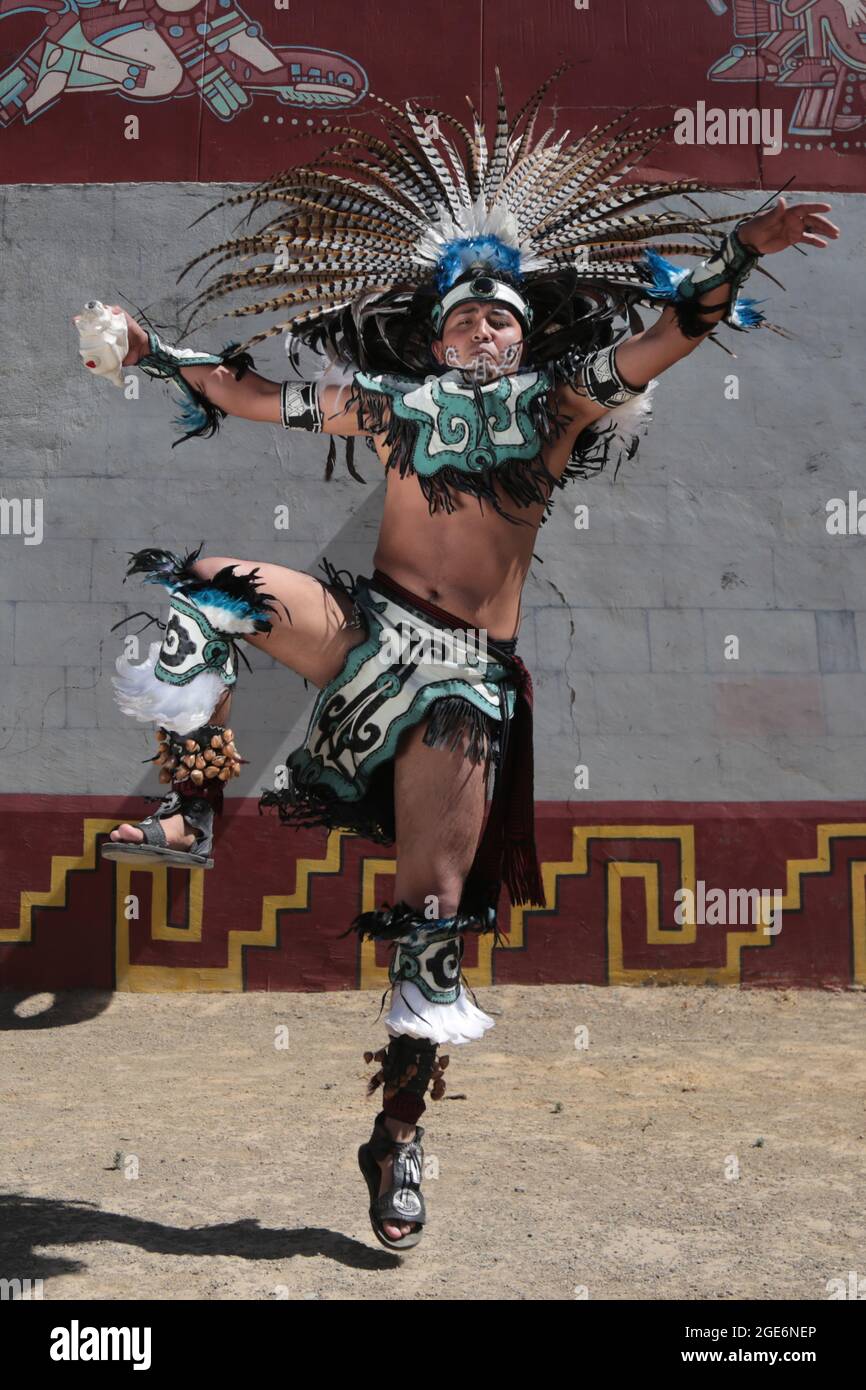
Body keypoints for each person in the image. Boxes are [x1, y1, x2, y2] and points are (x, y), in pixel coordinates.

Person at [78, 66, 838, 1248]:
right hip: (361, 627)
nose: (485, 328)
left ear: (525, 337)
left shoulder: (554, 406)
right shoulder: (387, 406)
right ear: (434, 333)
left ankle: (396, 1137)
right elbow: (251, 392)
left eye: (502, 318)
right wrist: (144, 350)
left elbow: (663, 338)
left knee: (431, 930)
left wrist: (736, 254)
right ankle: (192, 812)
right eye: (466, 316)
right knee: (197, 602)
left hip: (461, 687)